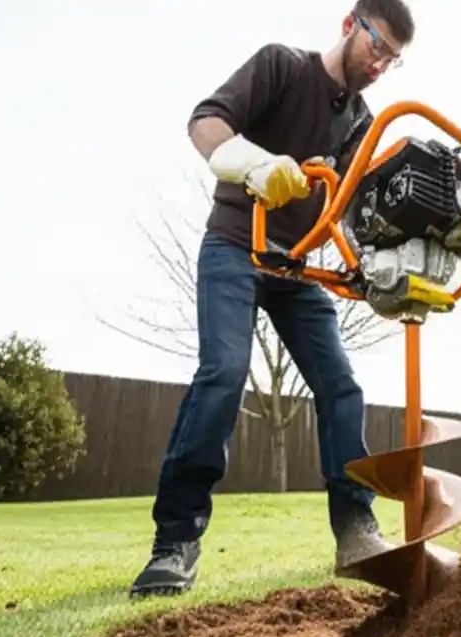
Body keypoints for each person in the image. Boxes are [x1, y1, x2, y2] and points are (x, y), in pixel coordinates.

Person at [129, 0, 415, 598]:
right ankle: (175, 542)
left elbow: (355, 208)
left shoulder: (363, 123)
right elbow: (205, 120)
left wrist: (383, 267)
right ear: (349, 26)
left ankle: (356, 527)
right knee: (224, 373)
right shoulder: (281, 67)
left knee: (343, 386)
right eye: (377, 48)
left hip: (298, 269)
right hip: (234, 246)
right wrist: (251, 163)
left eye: (394, 60)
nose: (381, 65)